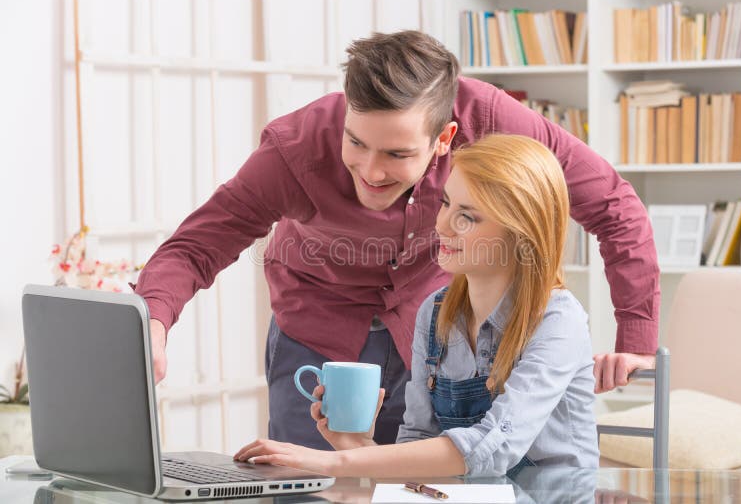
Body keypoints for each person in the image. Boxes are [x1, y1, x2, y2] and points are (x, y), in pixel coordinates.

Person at [133, 30, 659, 450]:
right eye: (356, 143)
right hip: (316, 335)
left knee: (420, 490)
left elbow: (613, 205)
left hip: (435, 335)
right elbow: (198, 244)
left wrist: (635, 339)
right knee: (309, 489)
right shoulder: (293, 151)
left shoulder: (495, 122)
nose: (369, 170)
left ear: (445, 139)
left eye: (396, 155)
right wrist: (154, 317)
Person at [234, 134, 599, 477]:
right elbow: (419, 445)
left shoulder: (557, 319)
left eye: (467, 217)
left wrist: (340, 462)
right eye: (445, 203)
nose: (442, 224)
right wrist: (357, 444)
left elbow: (493, 447)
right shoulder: (435, 314)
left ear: (521, 234)